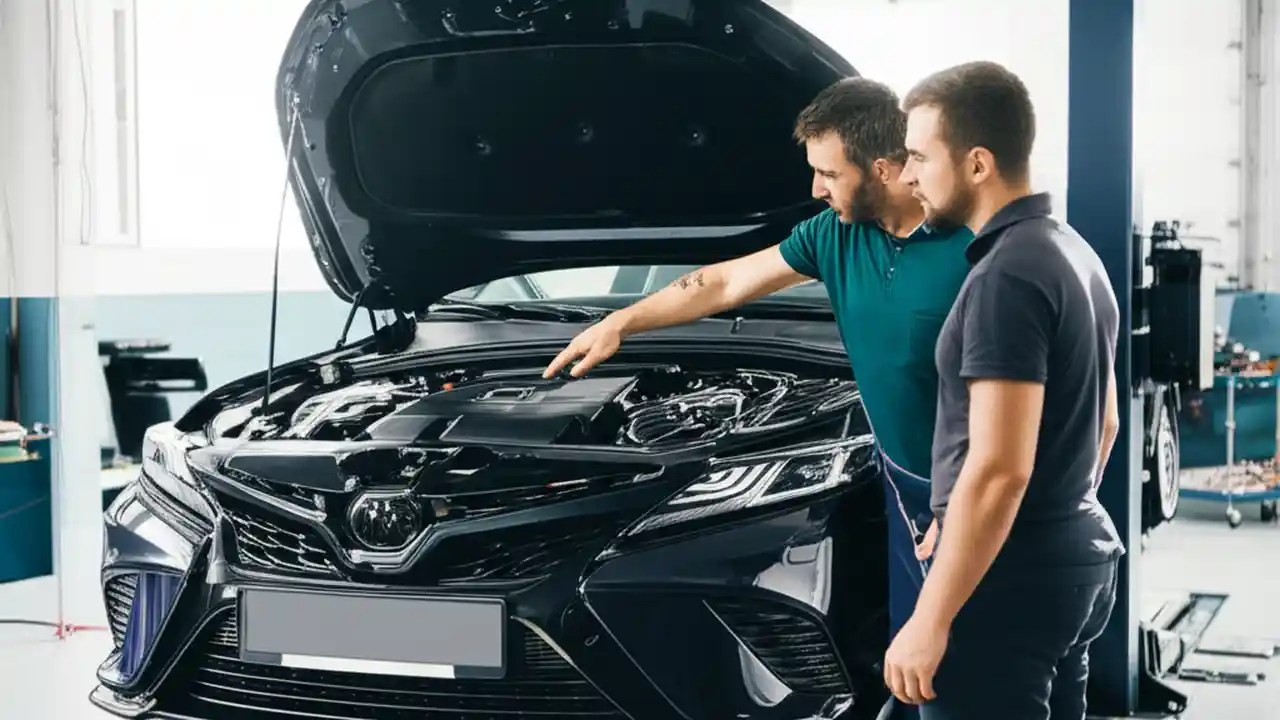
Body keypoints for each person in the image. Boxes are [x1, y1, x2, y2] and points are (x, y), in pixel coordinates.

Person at [543, 77, 973, 488]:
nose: (816, 188)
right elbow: (724, 282)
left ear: (882, 170)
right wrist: (621, 322)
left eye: (830, 174)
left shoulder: (975, 247)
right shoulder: (833, 234)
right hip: (898, 477)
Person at [882, 60, 1124, 720]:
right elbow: (1102, 424)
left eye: (918, 157)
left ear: (978, 163)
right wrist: (970, 521)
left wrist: (930, 618)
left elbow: (999, 469)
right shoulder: (1071, 251)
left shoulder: (1006, 277)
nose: (907, 177)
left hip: (1007, 582)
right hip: (1072, 566)